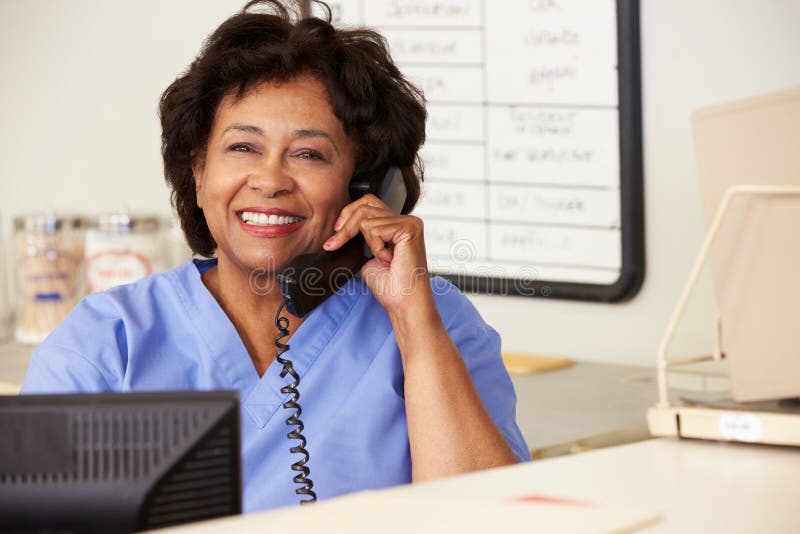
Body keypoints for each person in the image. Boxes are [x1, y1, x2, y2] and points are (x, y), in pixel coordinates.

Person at [21, 0, 530, 512]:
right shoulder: (106, 344)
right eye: (243, 147)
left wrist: (416, 330)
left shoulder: (438, 324)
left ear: (364, 188)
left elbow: (495, 520)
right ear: (199, 173)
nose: (269, 180)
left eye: (309, 154)